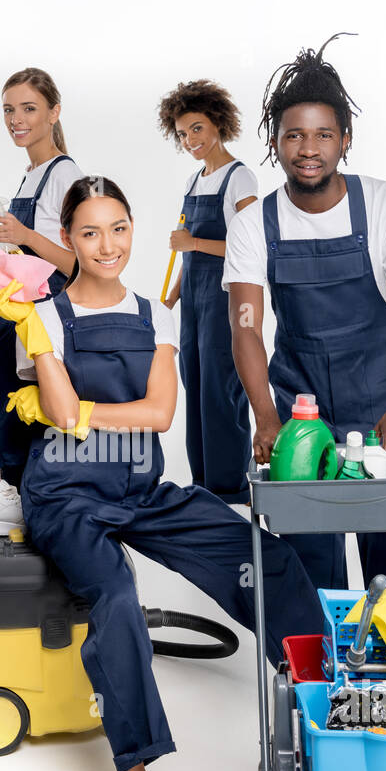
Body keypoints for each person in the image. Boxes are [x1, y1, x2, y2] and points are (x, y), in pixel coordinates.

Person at [0, 177, 321, 771]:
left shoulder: (151, 312)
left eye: (119, 228)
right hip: (65, 495)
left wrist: (79, 414)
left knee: (264, 557)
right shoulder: (39, 314)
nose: (107, 245)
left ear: (133, 229)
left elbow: (154, 414)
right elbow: (62, 417)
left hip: (140, 486)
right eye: (89, 232)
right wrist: (45, 357)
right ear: (67, 241)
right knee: (116, 597)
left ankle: (317, 706)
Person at [224, 36, 386, 593]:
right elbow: (245, 327)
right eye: (294, 135)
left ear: (345, 139)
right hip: (301, 415)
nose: (309, 148)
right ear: (276, 143)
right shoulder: (255, 224)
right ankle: (317, 677)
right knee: (308, 566)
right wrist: (267, 418)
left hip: (381, 403)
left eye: (323, 134)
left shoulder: (385, 205)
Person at [0, 69, 83, 532]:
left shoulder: (64, 173)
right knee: (12, 402)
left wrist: (23, 235)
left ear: (53, 113)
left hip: (49, 311)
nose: (16, 118)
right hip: (23, 302)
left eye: (29, 108)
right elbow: (29, 252)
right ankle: (4, 494)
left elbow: (79, 262)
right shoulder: (30, 174)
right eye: (9, 109)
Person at [157, 80, 257, 502]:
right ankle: (204, 486)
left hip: (225, 298)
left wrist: (193, 243)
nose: (190, 141)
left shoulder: (240, 176)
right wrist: (168, 302)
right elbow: (187, 259)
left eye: (196, 129)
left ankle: (231, 486)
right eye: (182, 134)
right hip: (193, 302)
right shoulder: (195, 180)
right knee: (193, 381)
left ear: (218, 122)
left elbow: (251, 245)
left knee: (221, 385)